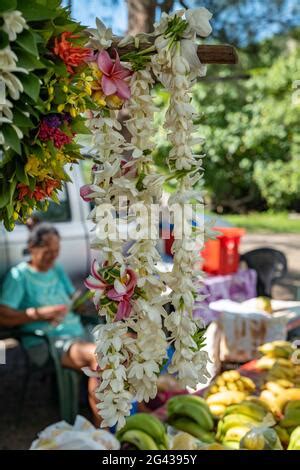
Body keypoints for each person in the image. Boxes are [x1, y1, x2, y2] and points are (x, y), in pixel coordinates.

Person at [0, 223, 101, 426]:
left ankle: (134, 411)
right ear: (32, 247)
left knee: (121, 347)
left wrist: (78, 304)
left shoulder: (56, 269)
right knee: (99, 357)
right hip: (48, 341)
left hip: (77, 332)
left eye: (56, 251)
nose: (53, 256)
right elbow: (3, 315)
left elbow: (71, 296)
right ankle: (104, 431)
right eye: (47, 251)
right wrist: (39, 314)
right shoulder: (19, 276)